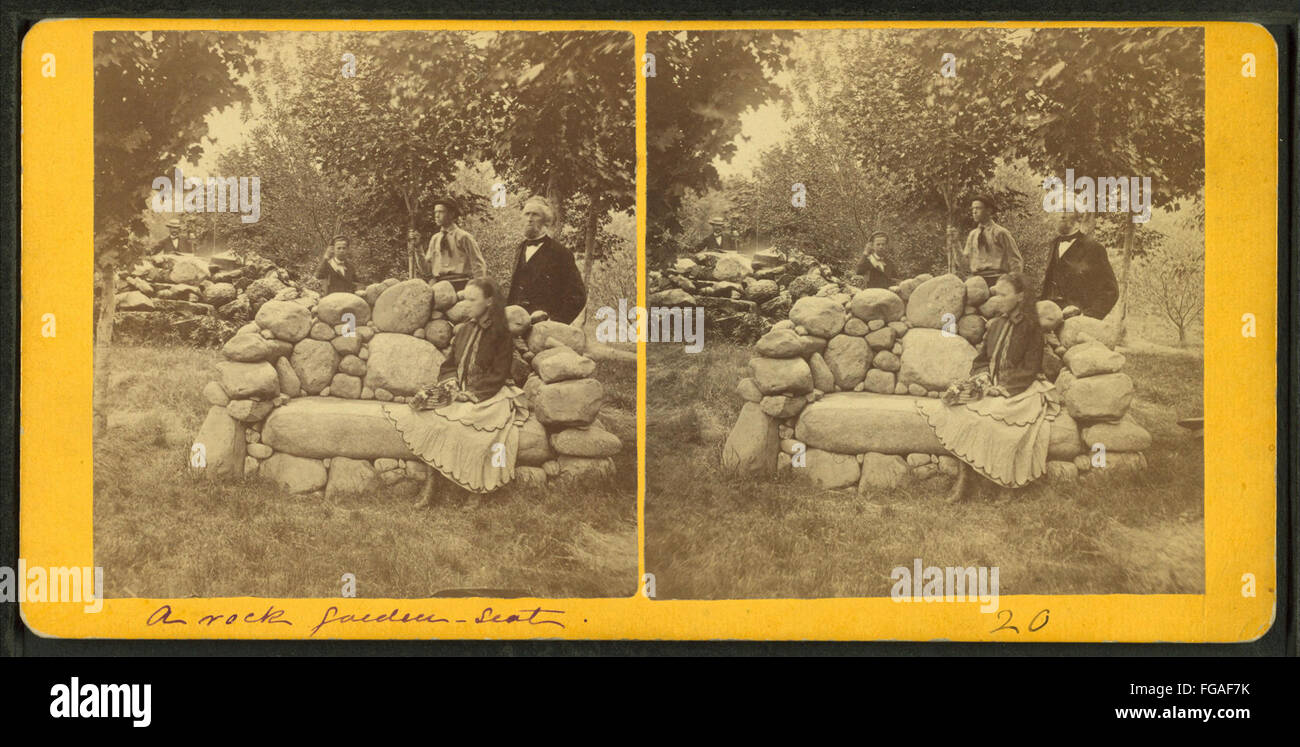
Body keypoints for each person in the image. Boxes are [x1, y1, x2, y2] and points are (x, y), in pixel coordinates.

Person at [915, 272, 1061, 503]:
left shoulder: (1032, 328)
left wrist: (1003, 387)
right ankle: (965, 481)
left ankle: (1004, 483)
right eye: (996, 294)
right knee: (961, 413)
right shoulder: (995, 325)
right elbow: (981, 360)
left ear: (1020, 297)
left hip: (1021, 389)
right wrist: (983, 381)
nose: (998, 299)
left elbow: (1031, 368)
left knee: (1001, 425)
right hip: (991, 386)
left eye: (1004, 294)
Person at [383, 277, 529, 507]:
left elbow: (499, 374)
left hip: (490, 395)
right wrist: (453, 388)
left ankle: (475, 489)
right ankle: (431, 487)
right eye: (465, 299)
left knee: (470, 428)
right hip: (459, 392)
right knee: (432, 420)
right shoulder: (463, 330)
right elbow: (449, 365)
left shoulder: (501, 334)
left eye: (473, 299)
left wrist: (472, 393)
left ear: (489, 301)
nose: (467, 304)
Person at [505, 196, 587, 324]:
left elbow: (578, 296)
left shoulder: (561, 253)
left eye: (535, 215)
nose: (529, 219)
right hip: (515, 324)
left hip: (543, 328)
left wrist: (555, 322)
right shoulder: (520, 248)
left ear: (546, 221)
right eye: (527, 214)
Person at [1040, 212, 1119, 320]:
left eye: (1067, 210)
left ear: (1080, 218)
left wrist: (1088, 317)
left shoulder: (1094, 248)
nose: (1062, 215)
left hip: (1075, 322)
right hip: (1047, 318)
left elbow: (1110, 291)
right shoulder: (1053, 244)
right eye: (1058, 209)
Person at [409, 197, 487, 290]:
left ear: (452, 214)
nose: (437, 216)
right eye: (435, 212)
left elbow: (478, 265)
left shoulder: (463, 237)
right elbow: (426, 271)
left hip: (461, 284)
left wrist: (478, 289)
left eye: (441, 212)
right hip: (439, 285)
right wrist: (418, 247)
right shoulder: (435, 239)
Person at [962, 195, 1023, 284]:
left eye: (978, 208)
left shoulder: (1000, 233)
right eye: (973, 209)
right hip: (977, 280)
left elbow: (1015, 260)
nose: (974, 212)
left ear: (988, 210)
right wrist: (955, 243)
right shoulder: (973, 235)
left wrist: (1013, 283)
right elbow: (965, 262)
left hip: (998, 279)